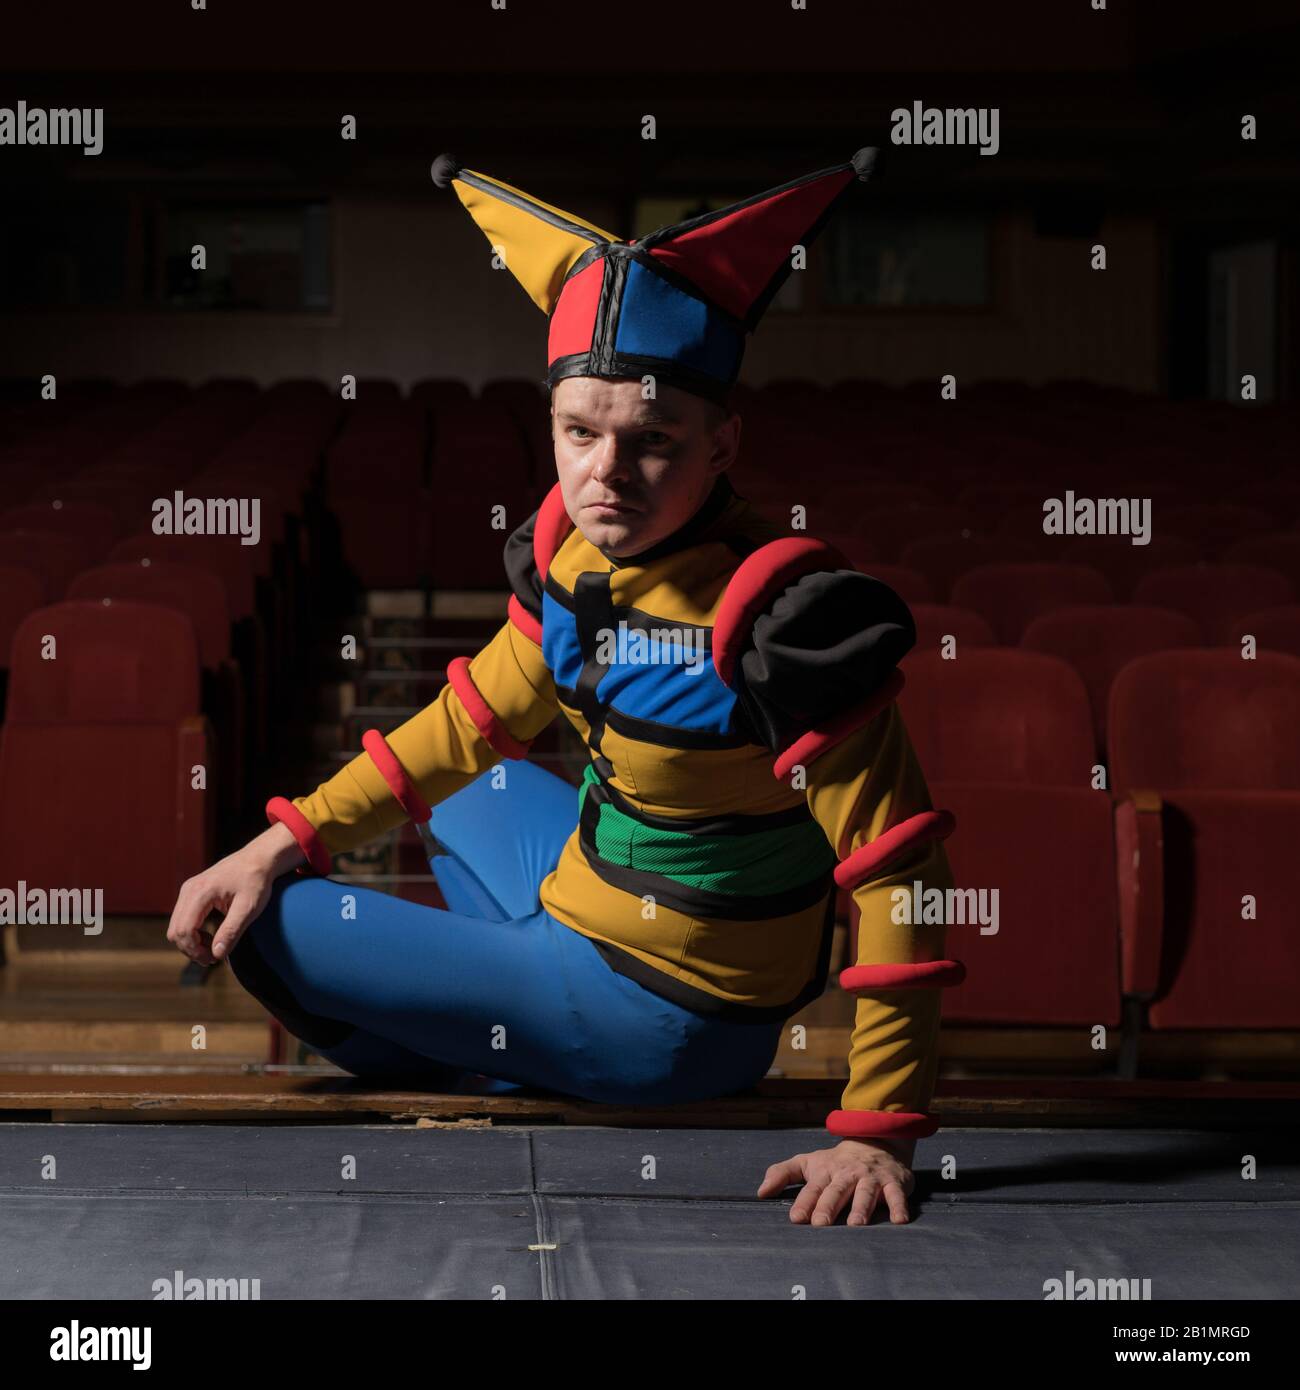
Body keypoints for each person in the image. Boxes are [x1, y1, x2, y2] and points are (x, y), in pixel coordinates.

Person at [167, 149, 963, 1229]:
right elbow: (463, 725)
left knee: (268, 933)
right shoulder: (568, 553)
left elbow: (900, 872)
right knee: (450, 794)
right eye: (579, 433)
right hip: (584, 890)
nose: (605, 473)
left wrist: (876, 1130)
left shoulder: (781, 623)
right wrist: (279, 836)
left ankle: (513, 1066)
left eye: (652, 443)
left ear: (722, 443)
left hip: (670, 1013)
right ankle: (516, 1025)